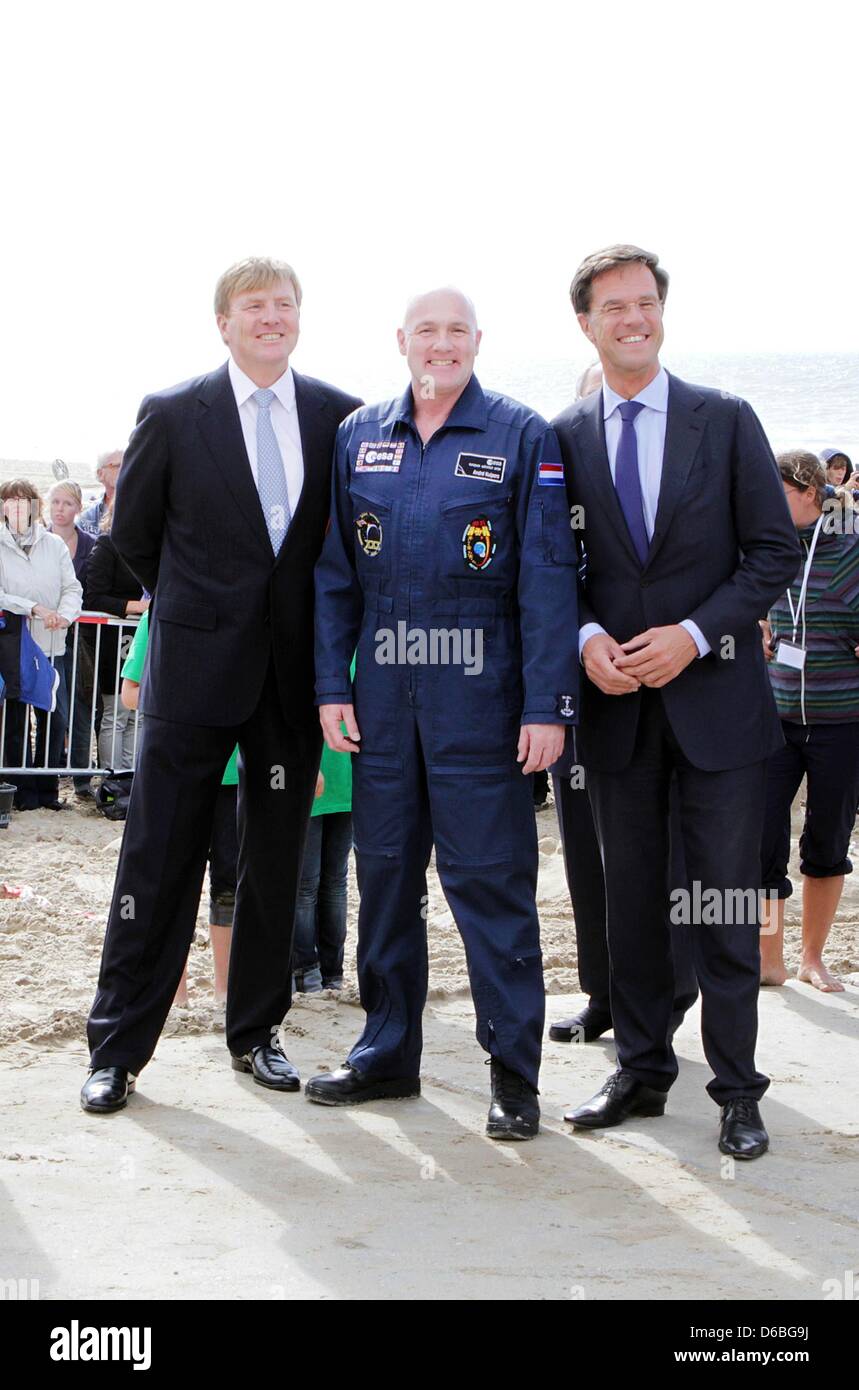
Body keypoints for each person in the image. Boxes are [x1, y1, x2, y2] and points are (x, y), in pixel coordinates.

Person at [81, 256, 361, 1115]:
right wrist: (202, 605)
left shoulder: (336, 416)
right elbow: (133, 534)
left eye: (283, 304)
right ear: (224, 322)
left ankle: (258, 1034)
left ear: (298, 319)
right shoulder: (172, 411)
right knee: (157, 861)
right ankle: (118, 1051)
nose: (270, 317)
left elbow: (341, 544)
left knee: (274, 867)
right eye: (253, 306)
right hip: (192, 676)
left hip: (287, 682)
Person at [308, 287, 579, 1140]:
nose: (441, 343)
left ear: (476, 342)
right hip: (384, 699)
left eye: (456, 330)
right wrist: (330, 686)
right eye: (426, 330)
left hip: (481, 700)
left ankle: (512, 1075)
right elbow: (334, 577)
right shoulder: (359, 436)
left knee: (490, 887)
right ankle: (386, 1053)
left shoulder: (520, 434)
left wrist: (545, 704)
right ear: (401, 342)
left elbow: (545, 579)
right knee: (383, 880)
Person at [553, 244, 800, 1160]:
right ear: (586, 322)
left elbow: (770, 553)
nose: (632, 318)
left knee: (724, 908)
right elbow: (550, 569)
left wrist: (692, 636)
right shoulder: (563, 436)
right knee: (634, 908)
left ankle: (737, 1090)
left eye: (645, 302)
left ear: (662, 312)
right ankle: (641, 1070)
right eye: (613, 306)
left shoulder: (724, 420)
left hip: (720, 713)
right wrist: (586, 643)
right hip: (616, 715)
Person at [548, 362, 698, 1047]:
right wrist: (585, 640)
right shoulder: (559, 476)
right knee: (585, 854)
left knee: (661, 858)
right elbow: (544, 580)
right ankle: (602, 994)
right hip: (586, 695)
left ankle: (668, 995)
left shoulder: (674, 474)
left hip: (670, 693)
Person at [759, 451, 859, 993]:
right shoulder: (765, 548)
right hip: (774, 719)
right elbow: (743, 600)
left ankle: (812, 959)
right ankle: (768, 960)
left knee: (826, 842)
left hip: (842, 719)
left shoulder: (852, 547)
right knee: (761, 842)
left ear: (808, 490)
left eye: (776, 492)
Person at [119, 609, 236, 1006]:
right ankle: (175, 992)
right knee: (173, 880)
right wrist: (186, 701)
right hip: (180, 769)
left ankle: (224, 990)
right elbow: (130, 691)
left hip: (233, 777)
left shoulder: (245, 604)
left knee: (228, 885)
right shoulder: (161, 610)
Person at [0, 480, 82, 810]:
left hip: (53, 646)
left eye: (25, 501)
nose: (18, 507)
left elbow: (72, 588)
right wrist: (31, 608)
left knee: (55, 715)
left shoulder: (54, 545)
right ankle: (21, 792)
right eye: (10, 501)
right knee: (17, 719)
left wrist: (63, 615)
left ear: (36, 506)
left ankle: (47, 791)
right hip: (15, 647)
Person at [292, 661, 356, 994]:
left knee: (326, 882)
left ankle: (322, 971)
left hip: (341, 778)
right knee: (318, 882)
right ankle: (315, 970)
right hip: (324, 776)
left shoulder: (340, 649)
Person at [86, 505, 149, 771]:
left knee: (139, 715)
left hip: (144, 635)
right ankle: (114, 778)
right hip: (115, 639)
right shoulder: (108, 543)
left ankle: (132, 777)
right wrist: (138, 606)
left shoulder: (153, 548)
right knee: (117, 711)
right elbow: (94, 596)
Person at [48, 481, 98, 796]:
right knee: (54, 705)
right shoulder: (37, 541)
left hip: (82, 637)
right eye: (55, 502)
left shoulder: (91, 545)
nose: (60, 509)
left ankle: (80, 777)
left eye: (67, 503)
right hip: (47, 633)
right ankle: (47, 775)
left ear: (78, 507)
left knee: (82, 705)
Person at [79, 451, 123, 536]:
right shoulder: (88, 519)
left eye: (127, 464)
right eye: (118, 466)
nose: (125, 469)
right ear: (100, 473)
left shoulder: (141, 510)